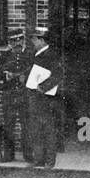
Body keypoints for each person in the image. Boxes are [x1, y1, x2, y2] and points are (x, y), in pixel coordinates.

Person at [0, 29, 33, 161]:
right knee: (9, 125)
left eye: (20, 39)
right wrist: (6, 75)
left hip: (25, 96)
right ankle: (9, 156)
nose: (18, 43)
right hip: (9, 95)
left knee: (26, 125)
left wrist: (25, 78)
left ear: (23, 40)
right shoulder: (5, 56)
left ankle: (28, 155)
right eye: (14, 40)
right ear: (10, 42)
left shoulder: (30, 55)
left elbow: (37, 73)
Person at [25, 27, 63, 168]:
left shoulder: (52, 54)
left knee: (48, 130)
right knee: (36, 129)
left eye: (35, 39)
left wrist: (44, 86)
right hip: (34, 97)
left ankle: (49, 161)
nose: (33, 41)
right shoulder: (35, 54)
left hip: (46, 99)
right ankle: (38, 159)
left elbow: (58, 74)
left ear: (42, 40)